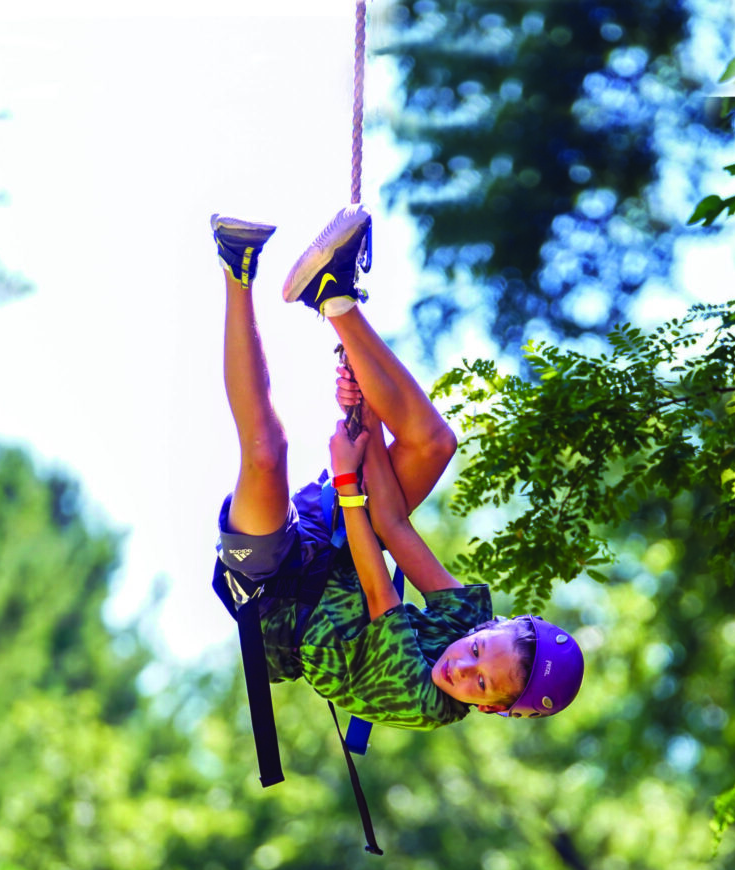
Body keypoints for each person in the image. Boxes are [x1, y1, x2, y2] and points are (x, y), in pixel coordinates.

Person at [211, 204, 583, 730]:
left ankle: (236, 264)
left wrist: (346, 477)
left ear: (491, 707)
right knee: (435, 444)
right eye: (478, 649)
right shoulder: (467, 620)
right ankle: (334, 298)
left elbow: (380, 591)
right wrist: (362, 414)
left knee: (267, 451)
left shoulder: (425, 704)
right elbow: (393, 526)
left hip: (278, 601)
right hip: (339, 551)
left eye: (480, 683)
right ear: (494, 624)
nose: (462, 665)